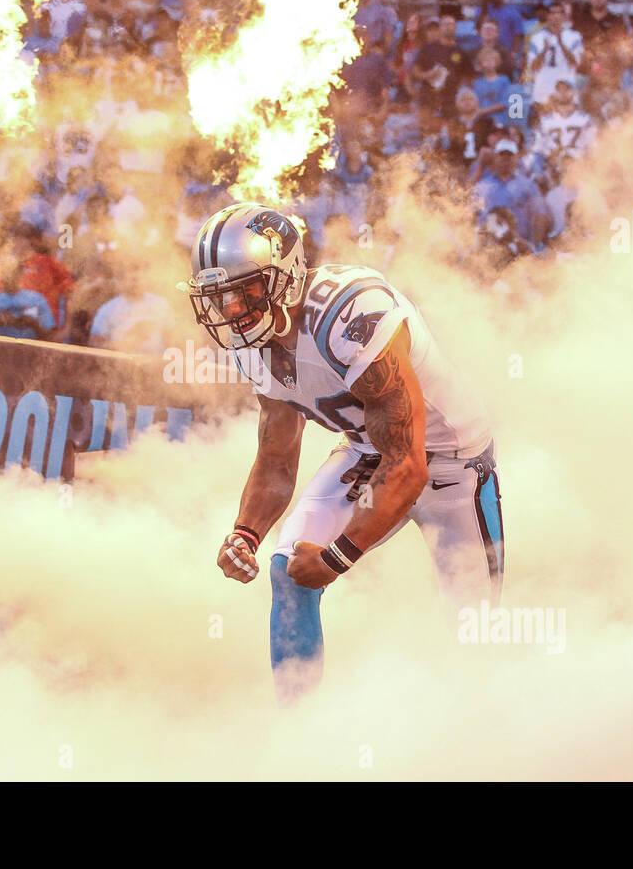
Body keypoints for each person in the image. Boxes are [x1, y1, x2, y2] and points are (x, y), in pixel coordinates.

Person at [185, 203, 502, 702]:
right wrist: (245, 533)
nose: (231, 311)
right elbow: (276, 458)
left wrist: (336, 557)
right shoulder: (253, 340)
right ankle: (300, 734)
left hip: (453, 462)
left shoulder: (352, 314)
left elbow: (411, 465)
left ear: (284, 277)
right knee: (287, 571)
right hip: (368, 450)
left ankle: (480, 742)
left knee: (475, 631)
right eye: (219, 297)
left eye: (243, 290)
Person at [89, 263, 174, 353]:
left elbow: (171, 337)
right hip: (121, 363)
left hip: (155, 363)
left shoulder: (160, 303)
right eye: (133, 280)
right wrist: (127, 341)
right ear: (121, 281)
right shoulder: (108, 309)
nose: (137, 283)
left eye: (140, 279)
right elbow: (95, 343)